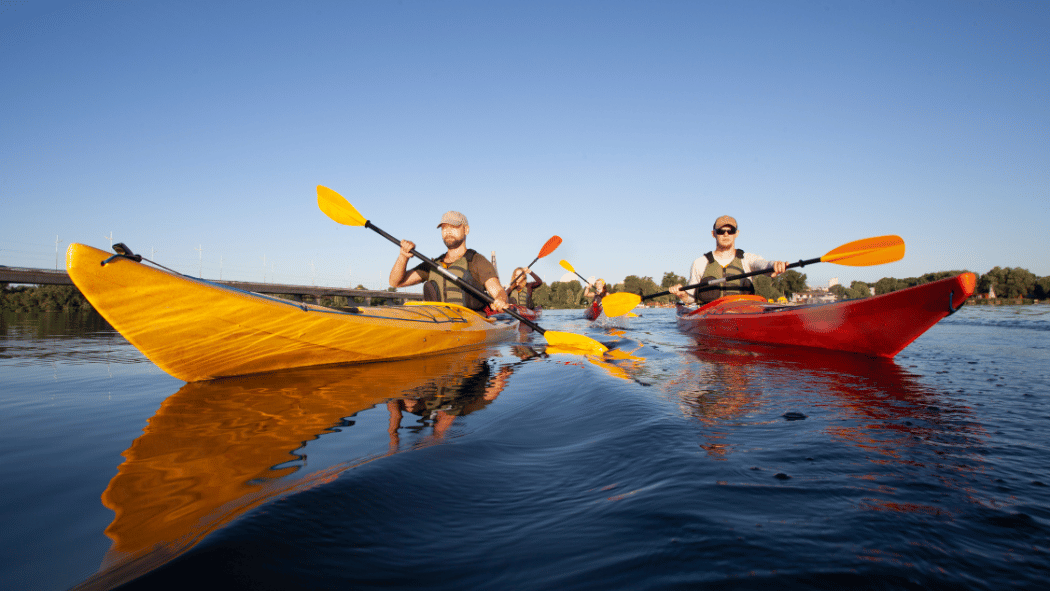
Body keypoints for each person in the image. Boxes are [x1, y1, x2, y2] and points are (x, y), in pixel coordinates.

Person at [389, 211, 510, 313]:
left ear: (466, 230)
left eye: (454, 227)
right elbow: (395, 282)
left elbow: (498, 291)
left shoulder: (477, 261)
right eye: (444, 228)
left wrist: (500, 300)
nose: (448, 231)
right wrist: (403, 256)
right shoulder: (432, 265)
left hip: (470, 324)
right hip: (438, 323)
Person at [669, 215, 787, 305]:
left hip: (743, 314)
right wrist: (682, 294)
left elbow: (764, 265)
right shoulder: (700, 263)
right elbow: (691, 298)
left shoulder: (748, 259)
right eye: (721, 231)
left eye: (730, 231)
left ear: (736, 233)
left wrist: (775, 265)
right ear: (713, 234)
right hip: (709, 318)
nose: (726, 234)